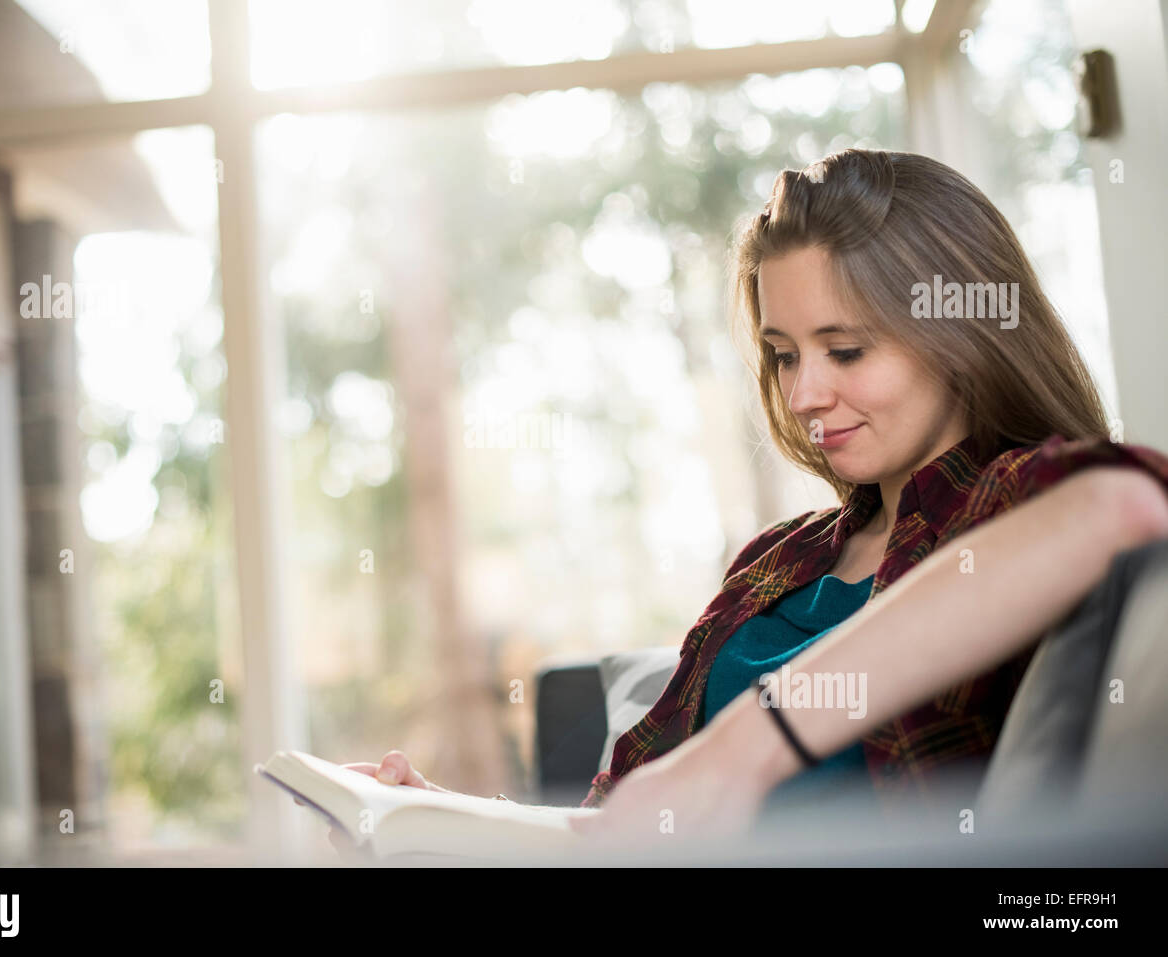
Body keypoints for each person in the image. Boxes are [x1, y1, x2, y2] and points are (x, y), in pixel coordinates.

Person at [316, 148, 1168, 859]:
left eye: (845, 348)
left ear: (963, 335)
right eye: (784, 354)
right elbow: (627, 826)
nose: (803, 394)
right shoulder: (779, 560)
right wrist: (442, 822)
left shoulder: (999, 507)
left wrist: (749, 744)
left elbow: (1123, 501)